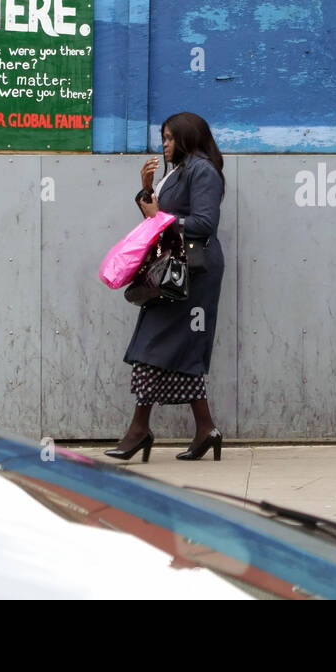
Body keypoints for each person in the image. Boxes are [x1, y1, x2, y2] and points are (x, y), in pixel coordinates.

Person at [106, 112, 226, 462]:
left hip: (192, 274)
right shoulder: (179, 171)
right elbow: (159, 217)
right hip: (172, 271)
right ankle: (206, 429)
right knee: (174, 348)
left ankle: (140, 430)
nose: (165, 144)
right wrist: (147, 189)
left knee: (152, 344)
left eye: (171, 138)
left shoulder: (202, 170)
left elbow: (204, 222)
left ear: (188, 137)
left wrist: (160, 215)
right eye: (164, 137)